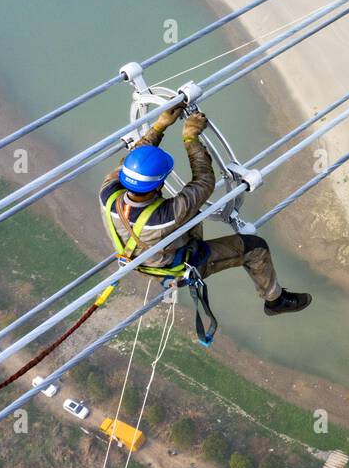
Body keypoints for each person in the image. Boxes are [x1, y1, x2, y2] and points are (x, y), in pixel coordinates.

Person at [101, 104, 311, 317]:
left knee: (190, 217)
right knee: (256, 248)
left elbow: (132, 162)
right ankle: (275, 301)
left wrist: (160, 125)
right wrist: (191, 137)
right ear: (157, 186)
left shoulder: (107, 194)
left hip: (146, 258)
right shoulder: (169, 215)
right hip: (180, 267)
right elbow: (203, 182)